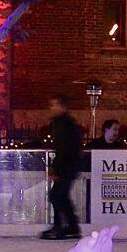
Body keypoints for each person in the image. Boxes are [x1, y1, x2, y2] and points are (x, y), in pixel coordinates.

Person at [41, 95, 85, 240]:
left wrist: (57, 168)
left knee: (57, 195)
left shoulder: (65, 124)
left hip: (68, 165)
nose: (51, 108)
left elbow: (64, 148)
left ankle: (62, 227)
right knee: (60, 196)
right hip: (69, 165)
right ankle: (70, 227)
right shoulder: (62, 123)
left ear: (62, 107)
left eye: (54, 105)